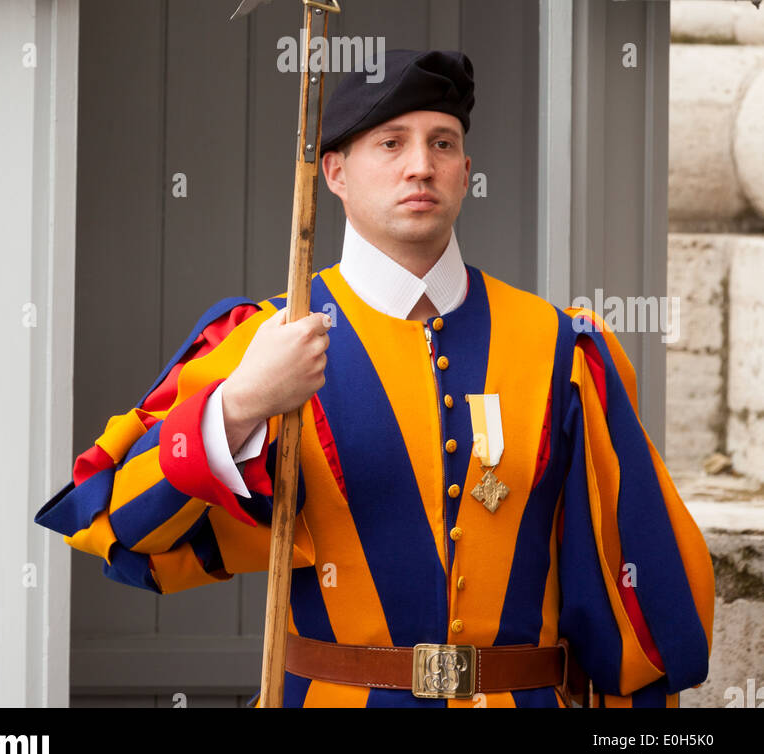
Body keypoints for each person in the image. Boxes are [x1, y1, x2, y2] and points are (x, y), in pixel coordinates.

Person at [35, 48, 714, 709]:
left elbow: (633, 581)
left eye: (442, 144)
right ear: (333, 172)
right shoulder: (262, 340)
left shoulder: (560, 348)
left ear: (467, 170)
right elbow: (117, 523)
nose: (422, 166)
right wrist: (241, 404)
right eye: (391, 144)